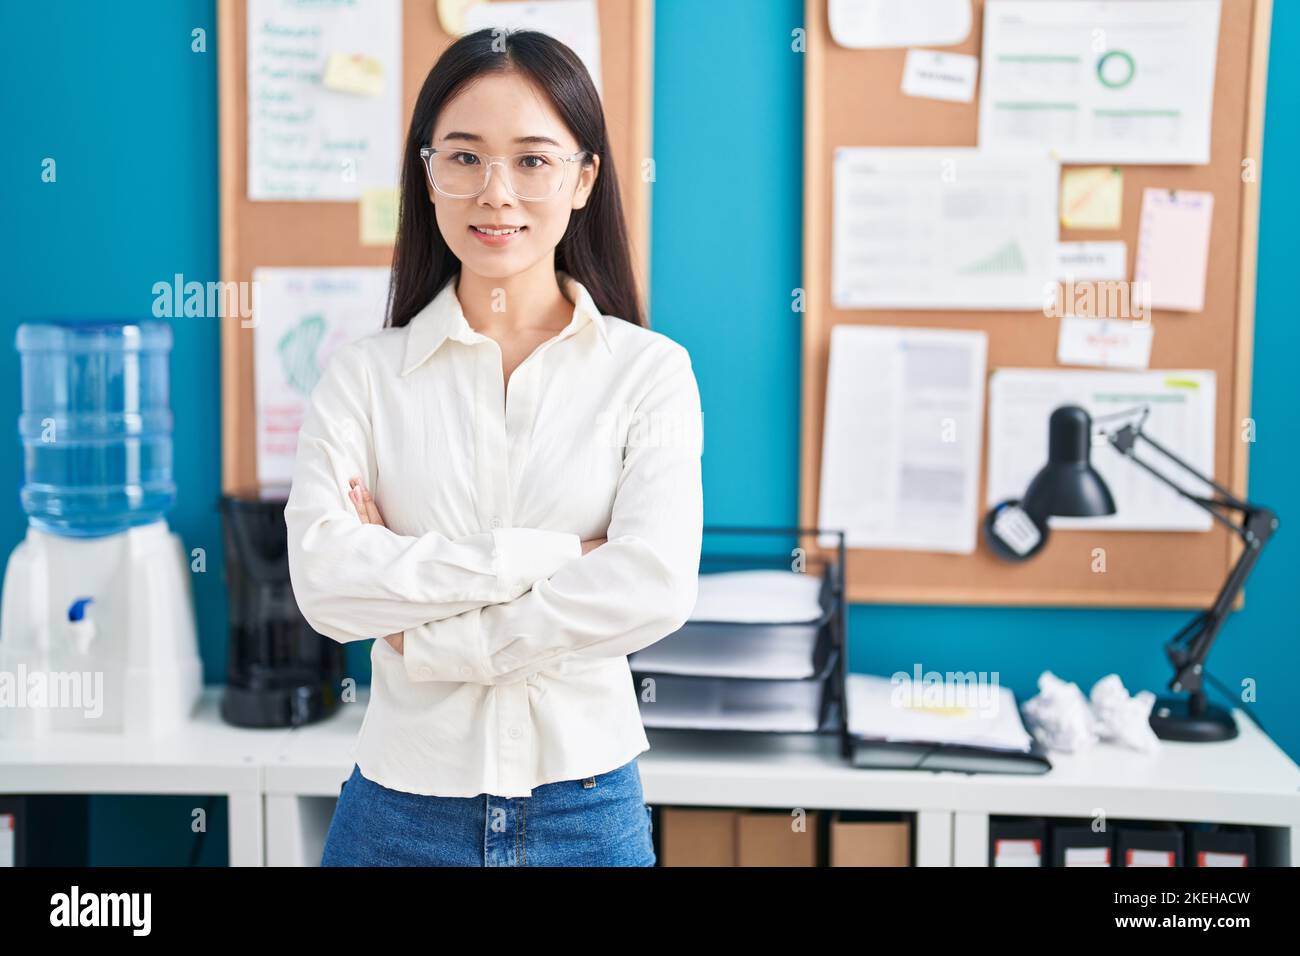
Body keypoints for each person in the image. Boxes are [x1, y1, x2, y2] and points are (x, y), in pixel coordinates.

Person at [285, 27, 704, 867]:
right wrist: (557, 554)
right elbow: (327, 585)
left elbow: (653, 584)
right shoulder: (365, 377)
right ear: (427, 173)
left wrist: (429, 627)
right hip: (399, 814)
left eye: (533, 160)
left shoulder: (648, 372)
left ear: (584, 177)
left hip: (588, 815)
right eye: (465, 158)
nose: (496, 194)